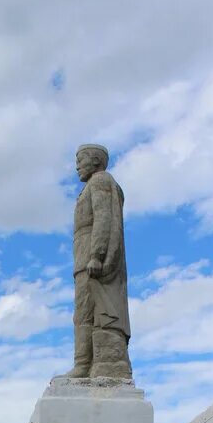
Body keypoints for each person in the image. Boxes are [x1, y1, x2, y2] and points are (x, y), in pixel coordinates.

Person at [63, 143, 133, 379]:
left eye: (79, 160)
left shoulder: (100, 181)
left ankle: (84, 364)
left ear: (95, 161)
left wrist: (97, 254)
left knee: (86, 312)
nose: (76, 167)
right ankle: (85, 362)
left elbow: (104, 218)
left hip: (91, 260)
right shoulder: (93, 185)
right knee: (84, 313)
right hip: (83, 257)